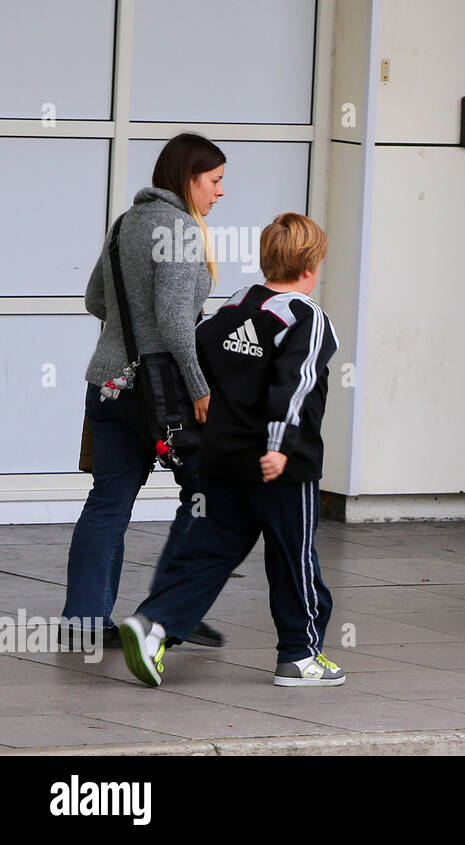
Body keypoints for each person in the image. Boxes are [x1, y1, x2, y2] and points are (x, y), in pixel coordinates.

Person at [120, 212, 344, 688]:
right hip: (279, 466)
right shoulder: (305, 317)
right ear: (312, 266)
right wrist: (280, 446)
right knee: (294, 557)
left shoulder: (237, 305)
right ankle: (300, 657)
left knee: (210, 552)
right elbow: (297, 387)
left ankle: (153, 624)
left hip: (222, 458)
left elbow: (200, 357)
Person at [64, 133, 227, 649]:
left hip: (108, 383)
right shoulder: (179, 230)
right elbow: (179, 325)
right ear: (189, 178)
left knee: (108, 502)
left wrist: (127, 333)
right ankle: (169, 611)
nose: (220, 193)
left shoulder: (125, 225)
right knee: (206, 495)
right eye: (215, 181)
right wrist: (200, 388)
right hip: (159, 392)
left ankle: (84, 623)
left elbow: (94, 299)